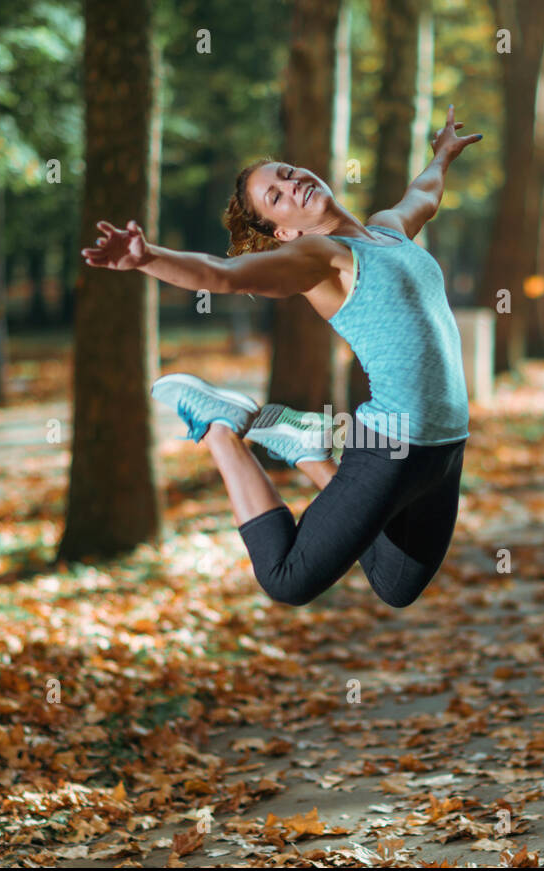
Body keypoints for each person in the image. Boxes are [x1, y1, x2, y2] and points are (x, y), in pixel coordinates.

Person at [81, 105, 483, 607]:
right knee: (286, 579)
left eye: (290, 175)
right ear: (284, 232)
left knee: (396, 585)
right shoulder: (318, 259)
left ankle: (308, 452)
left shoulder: (388, 230)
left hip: (445, 446)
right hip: (390, 442)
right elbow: (219, 274)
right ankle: (221, 430)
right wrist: (148, 258)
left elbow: (422, 195)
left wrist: (442, 156)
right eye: (277, 195)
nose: (294, 185)